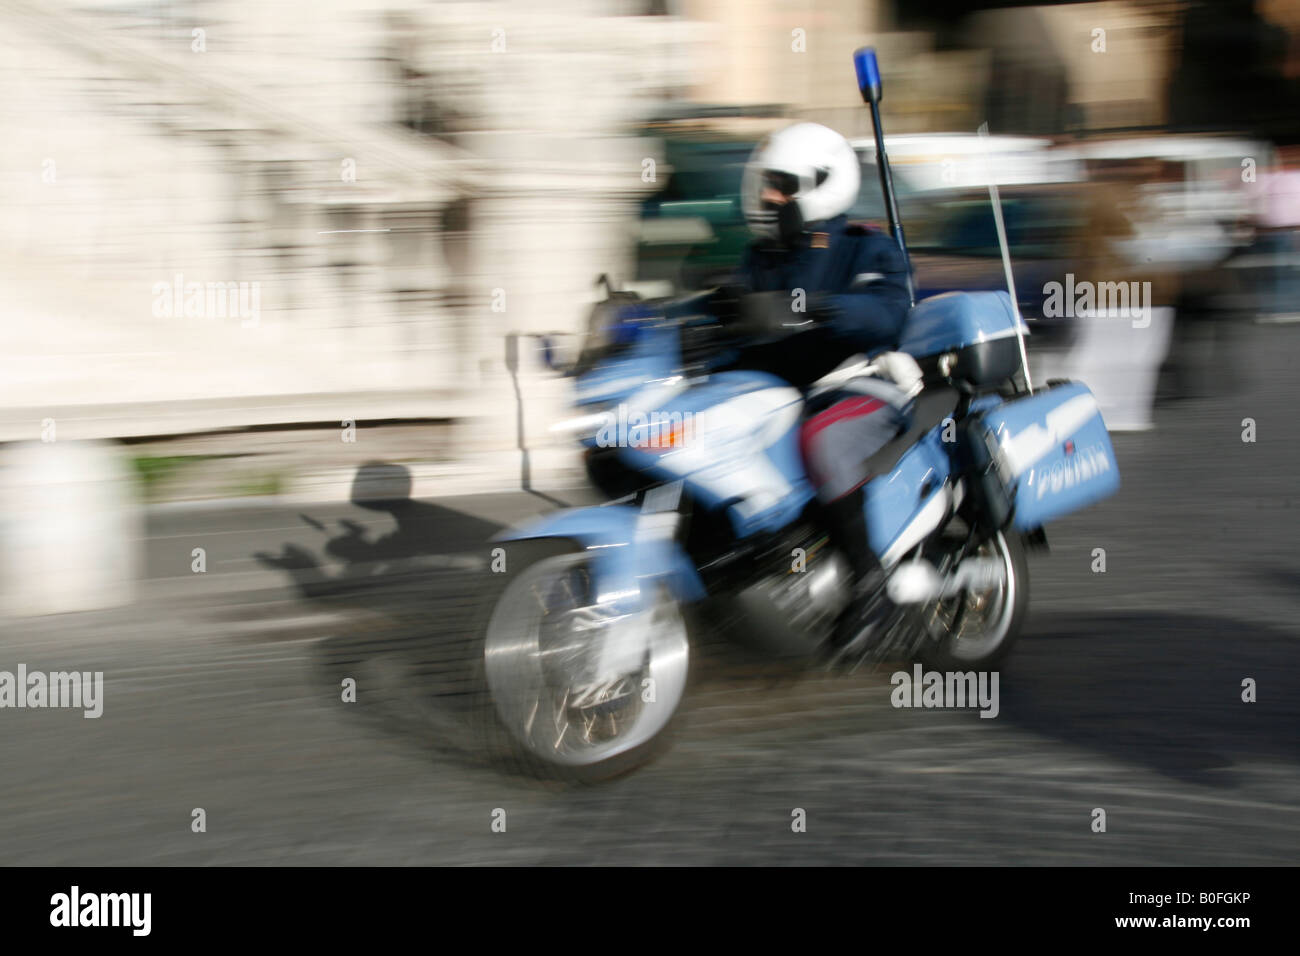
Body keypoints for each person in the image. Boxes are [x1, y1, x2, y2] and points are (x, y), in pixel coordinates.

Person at [720, 122, 915, 641]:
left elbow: (887, 313)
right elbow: (737, 315)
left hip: (857, 384)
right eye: (765, 183)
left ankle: (871, 585)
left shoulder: (863, 247)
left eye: (780, 185)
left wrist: (824, 308)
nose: (766, 195)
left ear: (820, 183)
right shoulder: (760, 257)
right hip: (783, 393)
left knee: (822, 437)